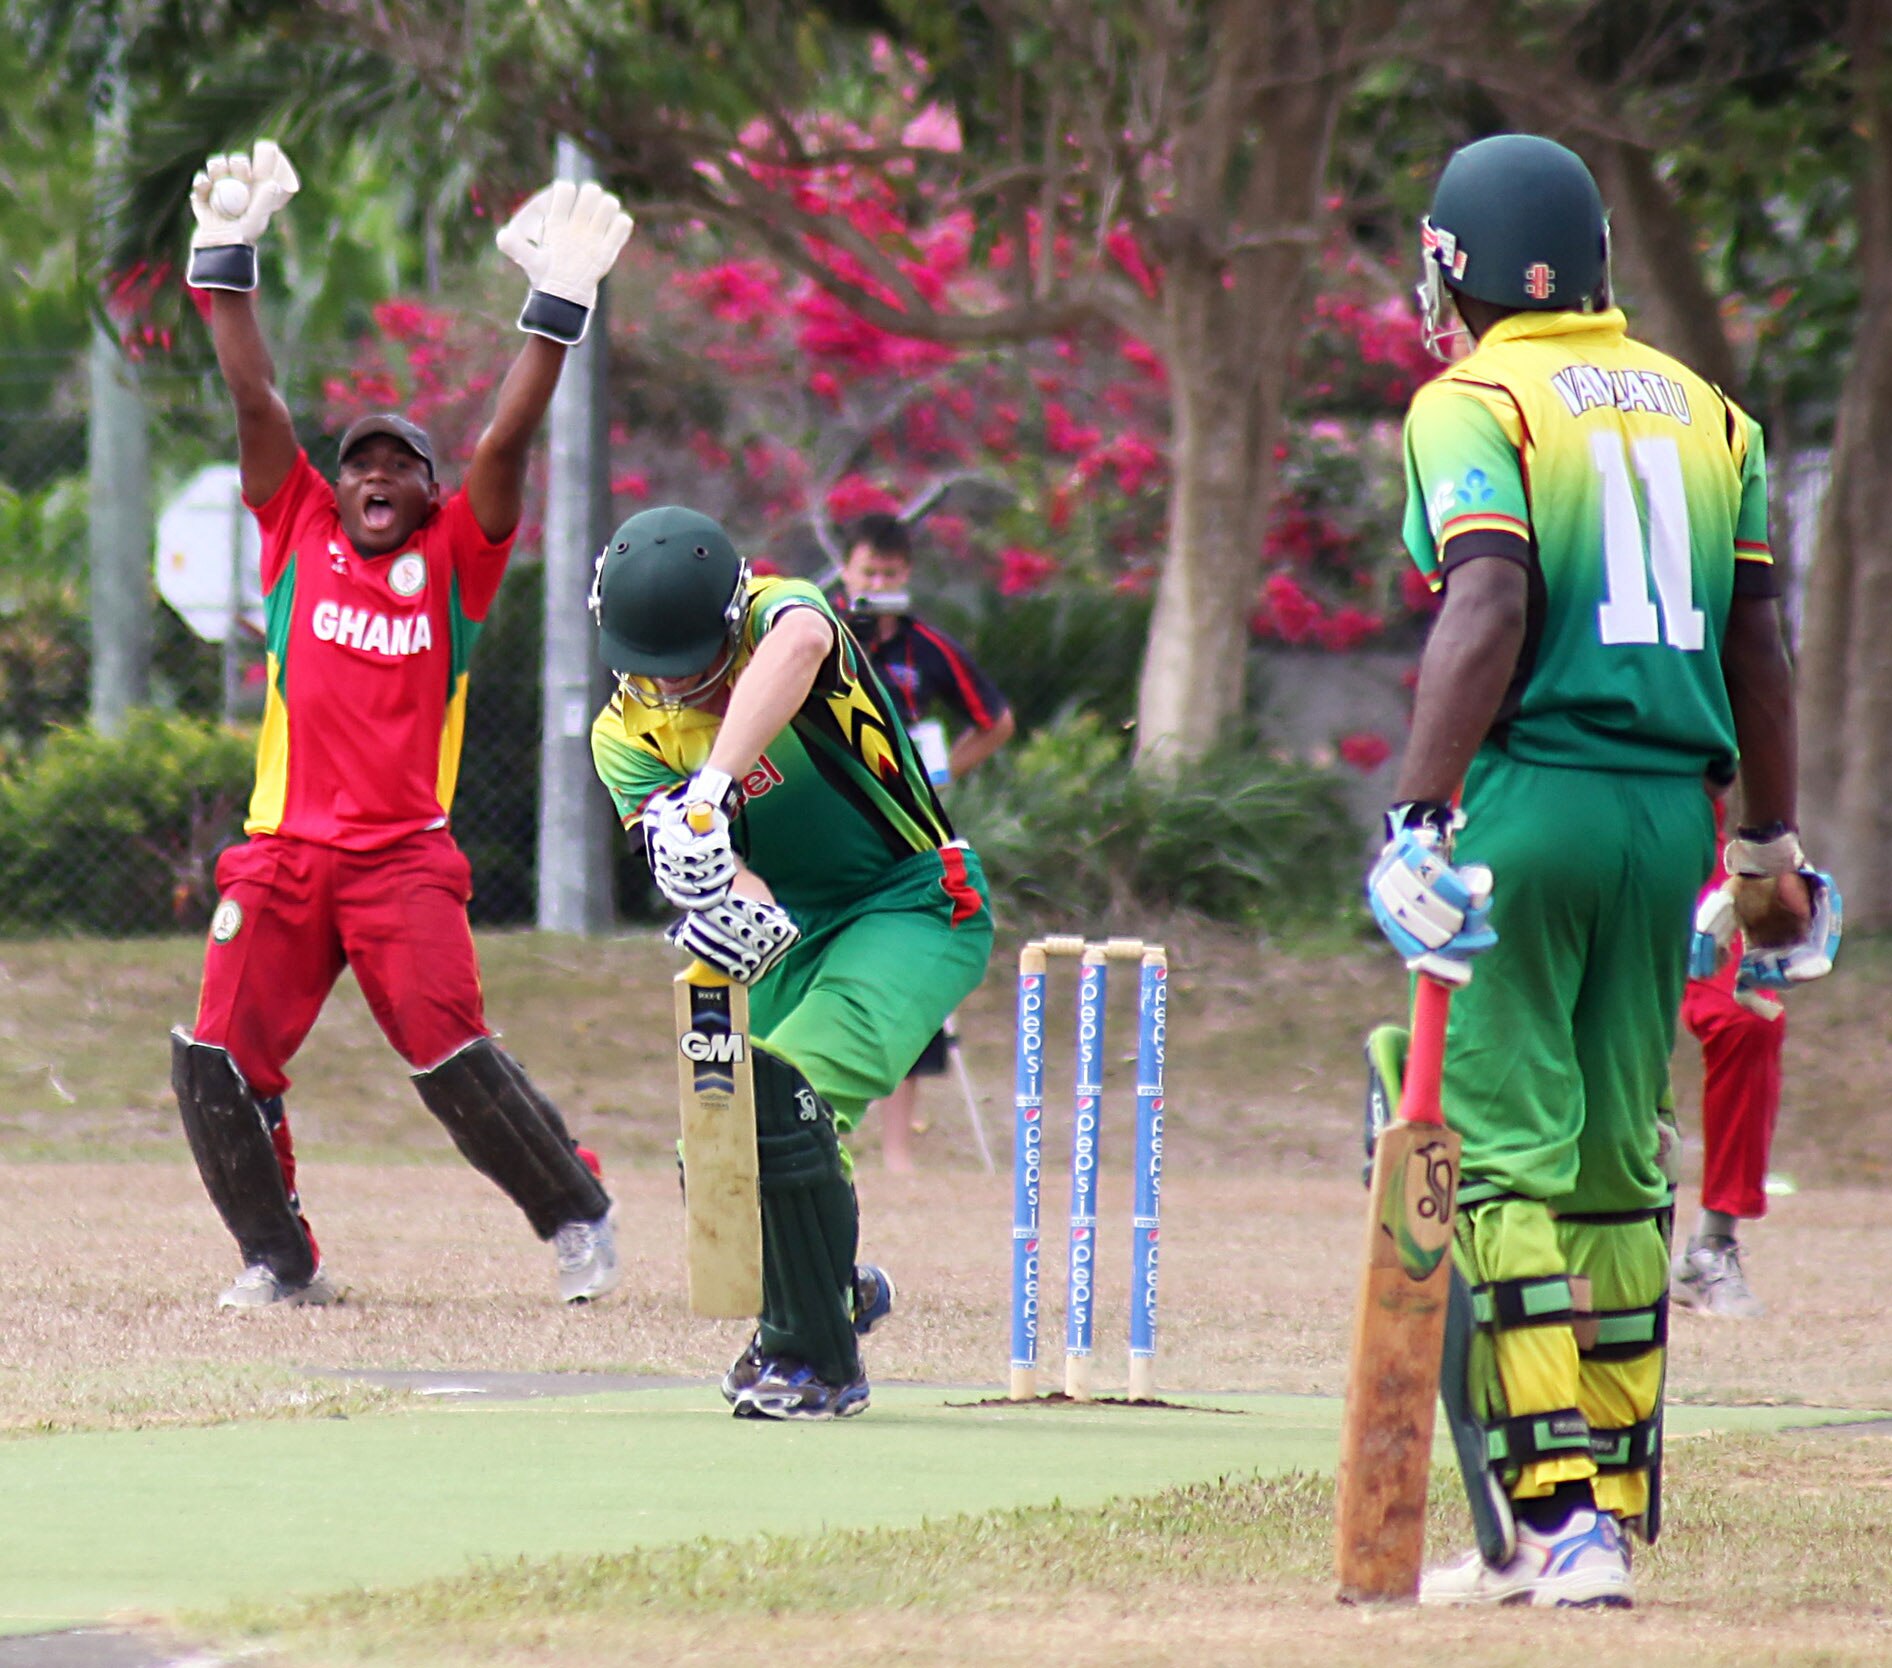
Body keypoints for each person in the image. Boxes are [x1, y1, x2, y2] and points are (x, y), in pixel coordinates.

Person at [1365, 133, 1837, 1608]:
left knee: (1501, 1157)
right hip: (1668, 822)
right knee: (1621, 1165)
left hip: (1534, 800)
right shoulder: (1715, 414)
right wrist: (1770, 841)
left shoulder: (1474, 399)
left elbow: (1490, 597)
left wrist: (1418, 813)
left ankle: (1554, 1523)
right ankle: (1613, 1503)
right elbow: (1758, 647)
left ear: (1455, 266)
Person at [172, 141, 633, 1310]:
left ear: (429, 494)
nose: (376, 473)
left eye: (400, 464)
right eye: (359, 462)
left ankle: (576, 1213)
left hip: (399, 861)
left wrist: (556, 309)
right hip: (281, 853)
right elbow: (253, 398)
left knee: (450, 1058)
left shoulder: (457, 560)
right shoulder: (297, 531)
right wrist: (226, 265)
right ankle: (282, 1263)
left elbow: (503, 445)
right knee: (216, 1063)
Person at [589, 505, 995, 1418]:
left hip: (914, 901)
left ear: (730, 620)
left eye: (692, 666)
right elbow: (726, 874)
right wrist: (726, 889)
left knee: (790, 1093)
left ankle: (817, 1358)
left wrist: (712, 788)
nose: (673, 689)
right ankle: (830, 1291)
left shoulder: (786, 619)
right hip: (788, 928)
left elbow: (806, 638)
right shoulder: (622, 737)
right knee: (717, 1140)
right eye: (654, 669)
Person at [833, 513, 1014, 1170]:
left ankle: (899, 1152)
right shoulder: (813, 633)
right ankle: (819, 1134)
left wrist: (937, 776)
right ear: (846, 571)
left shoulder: (927, 648)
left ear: (906, 576)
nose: (878, 583)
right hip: (826, 827)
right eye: (867, 572)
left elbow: (995, 722)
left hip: (906, 836)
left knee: (903, 978)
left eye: (890, 574)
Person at [1675, 796, 1789, 1318]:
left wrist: (1772, 850)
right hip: (1549, 820)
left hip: (1681, 839)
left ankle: (1711, 1246)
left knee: (1749, 1016)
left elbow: (1762, 715)